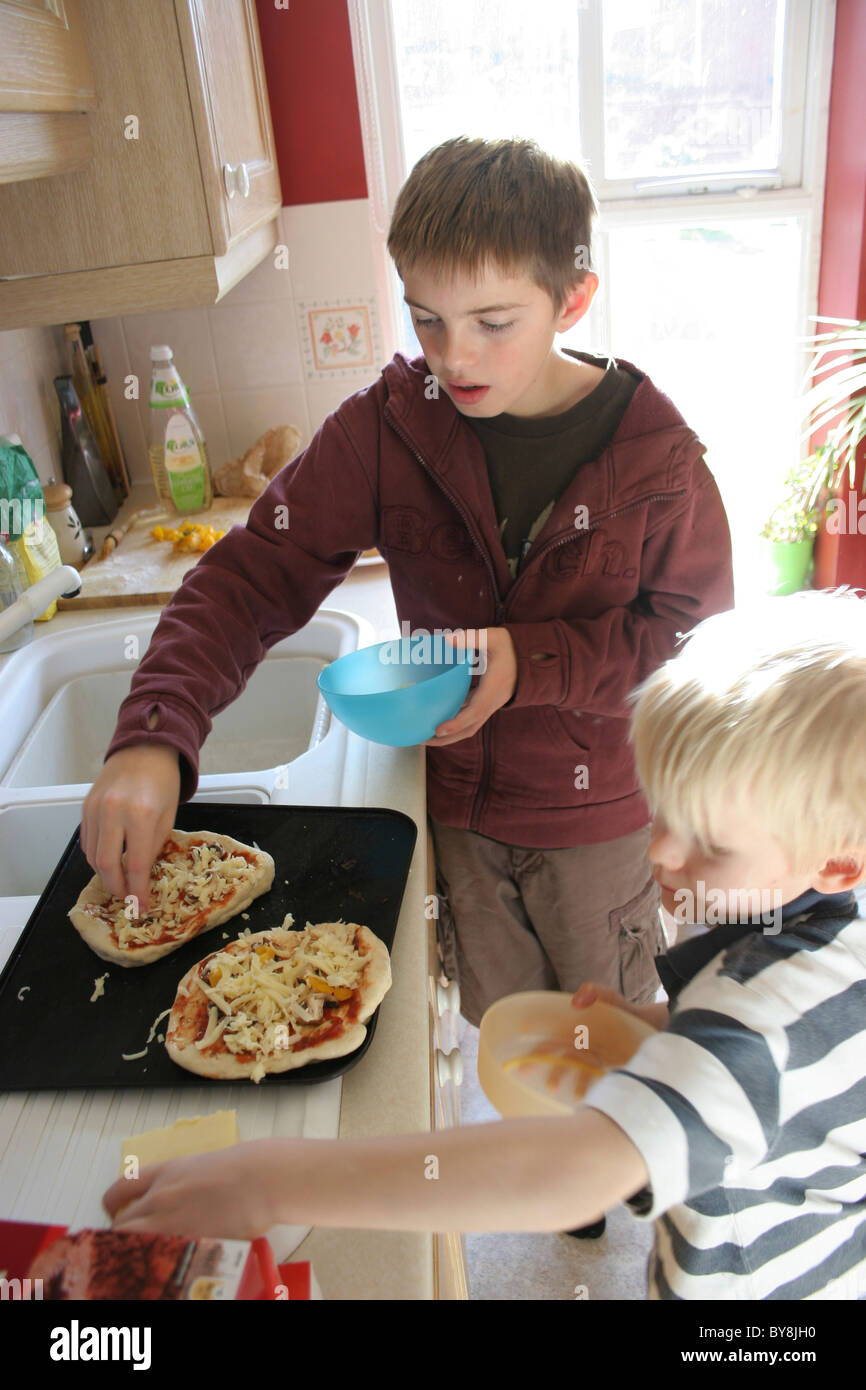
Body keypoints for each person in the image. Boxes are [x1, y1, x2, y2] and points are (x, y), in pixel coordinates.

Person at [82, 137, 733, 1065]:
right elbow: (250, 576)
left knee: (605, 1029)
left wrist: (531, 663)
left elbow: (695, 644)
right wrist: (153, 732)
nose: (452, 356)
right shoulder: (385, 432)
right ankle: (532, 1154)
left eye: (493, 322)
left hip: (599, 816)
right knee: (504, 1029)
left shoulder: (659, 463)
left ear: (573, 298)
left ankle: (605, 1179)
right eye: (426, 319)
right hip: (457, 811)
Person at [104, 591, 866, 1301]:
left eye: (706, 840)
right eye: (660, 809)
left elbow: (577, 1171)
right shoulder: (808, 913)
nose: (661, 852)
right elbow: (781, 1082)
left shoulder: (769, 1020)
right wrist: (663, 1028)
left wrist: (269, 1182)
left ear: (837, 858)